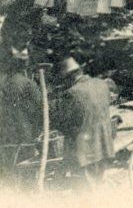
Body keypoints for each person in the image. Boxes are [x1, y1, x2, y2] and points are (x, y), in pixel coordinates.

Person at [51, 58, 115, 184]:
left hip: (85, 147)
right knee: (97, 179)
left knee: (86, 185)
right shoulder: (102, 84)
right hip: (104, 141)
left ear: (69, 77)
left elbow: (64, 120)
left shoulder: (72, 93)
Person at [0, 46, 42, 179]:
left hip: (5, 132)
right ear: (24, 65)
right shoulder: (28, 83)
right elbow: (40, 107)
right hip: (24, 132)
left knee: (9, 167)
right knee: (26, 165)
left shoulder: (3, 82)